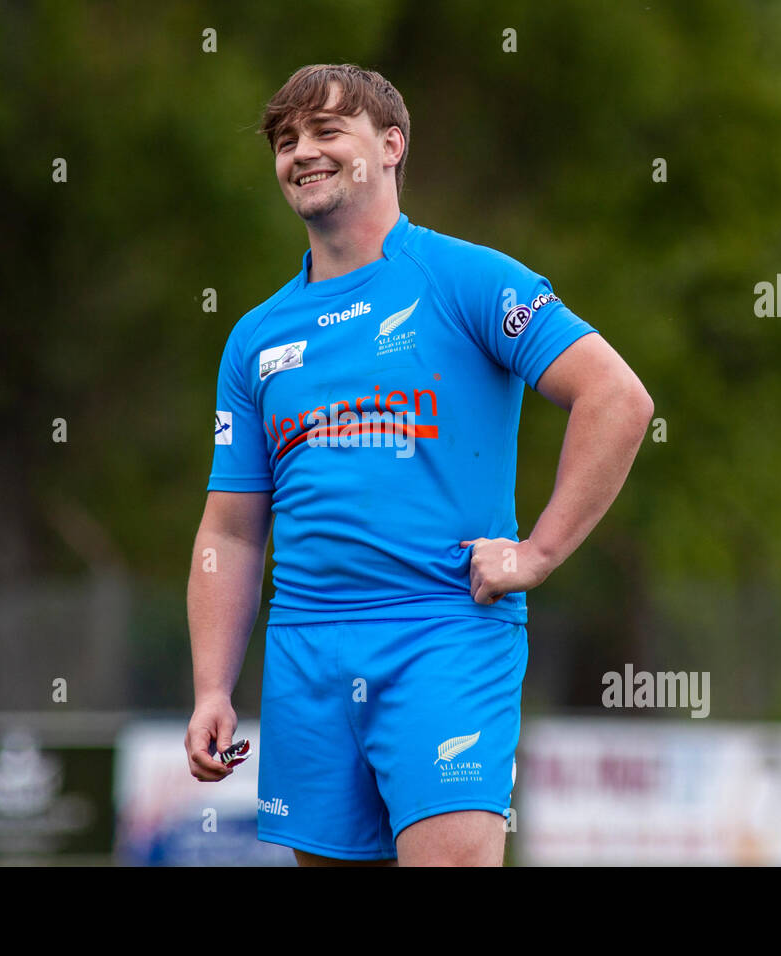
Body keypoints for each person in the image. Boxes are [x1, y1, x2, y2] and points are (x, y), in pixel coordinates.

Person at [186, 63, 653, 866]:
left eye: (327, 131)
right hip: (307, 652)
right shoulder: (256, 338)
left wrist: (538, 553)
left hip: (444, 631)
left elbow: (616, 398)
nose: (302, 152)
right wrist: (211, 690)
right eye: (287, 140)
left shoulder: (468, 279)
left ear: (391, 145)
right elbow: (230, 532)